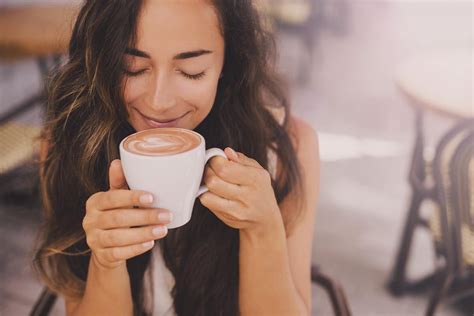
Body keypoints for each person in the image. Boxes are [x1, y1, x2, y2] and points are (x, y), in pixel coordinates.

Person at [33, 1, 320, 315]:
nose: (159, 102)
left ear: (229, 62)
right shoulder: (76, 145)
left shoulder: (286, 147)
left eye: (191, 72)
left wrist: (263, 229)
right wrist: (106, 261)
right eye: (132, 67)